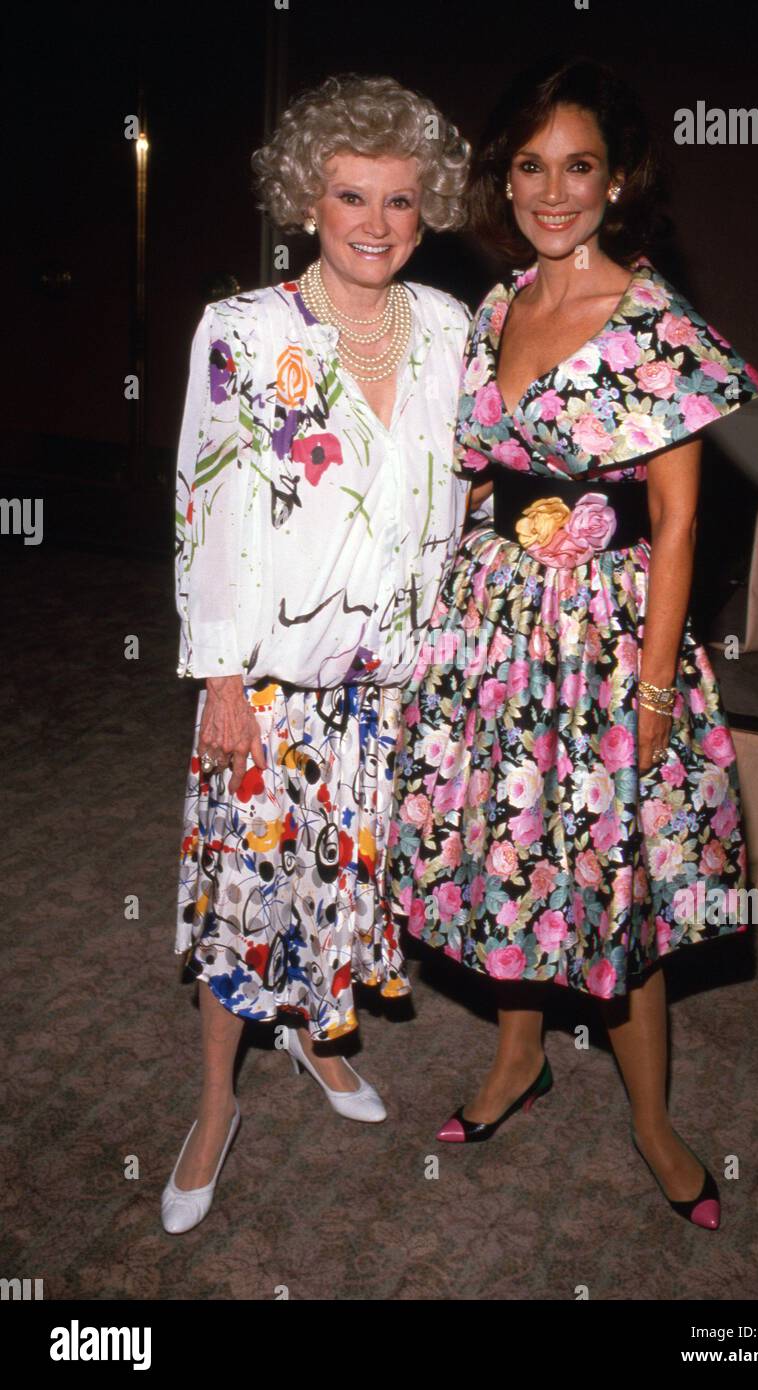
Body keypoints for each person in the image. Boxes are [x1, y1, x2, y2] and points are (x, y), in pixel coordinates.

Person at [386, 58, 758, 1229]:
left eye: (578, 166)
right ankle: (517, 1060)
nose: (553, 192)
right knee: (508, 858)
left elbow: (679, 520)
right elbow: (473, 476)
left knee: (613, 886)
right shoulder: (496, 308)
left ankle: (653, 1120)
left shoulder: (654, 325)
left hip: (606, 637)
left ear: (617, 180)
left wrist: (655, 690)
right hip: (496, 625)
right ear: (505, 181)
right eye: (530, 167)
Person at [162, 73, 472, 1234]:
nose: (377, 224)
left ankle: (313, 1037)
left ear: (425, 206)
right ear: (308, 200)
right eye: (352, 196)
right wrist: (221, 674)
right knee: (244, 900)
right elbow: (206, 506)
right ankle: (210, 1103)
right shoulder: (243, 331)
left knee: (342, 889)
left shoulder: (448, 330)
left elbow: (467, 489)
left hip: (388, 681)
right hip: (268, 681)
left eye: (400, 200)